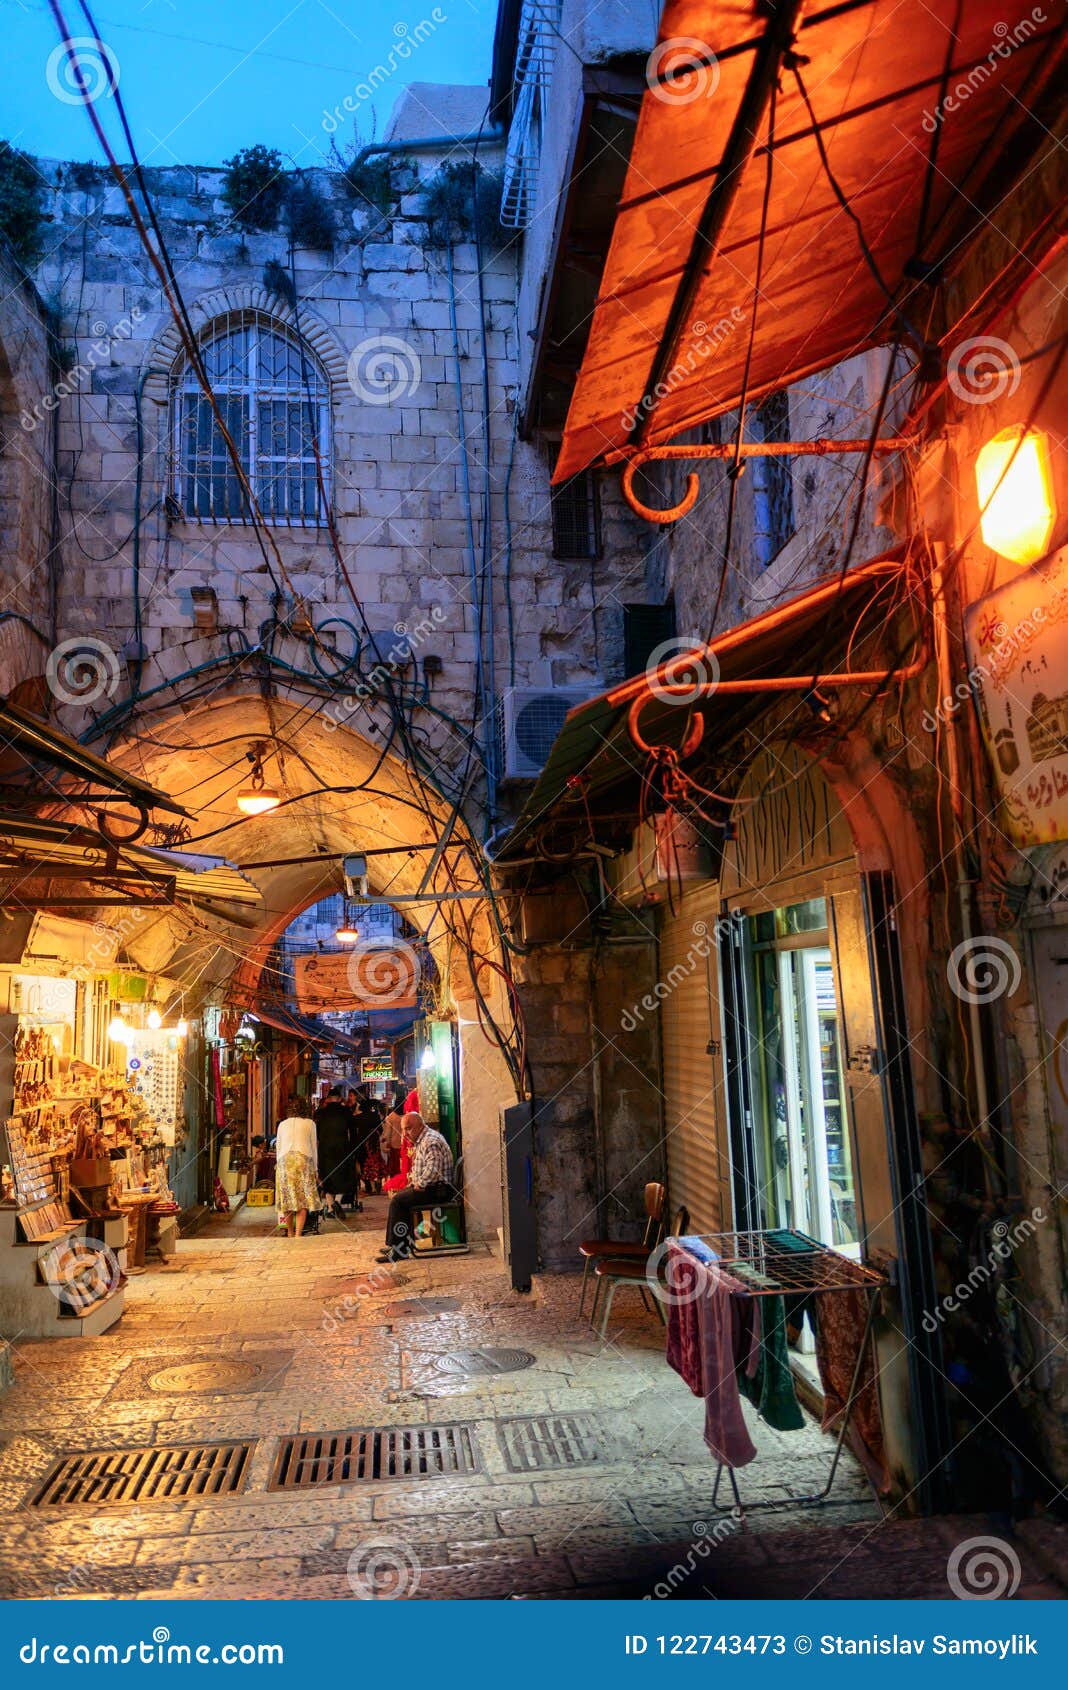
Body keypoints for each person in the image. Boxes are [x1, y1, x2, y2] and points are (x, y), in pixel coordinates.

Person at [376, 1111, 454, 1262]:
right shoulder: (423, 1139)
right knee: (399, 1198)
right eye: (404, 1129)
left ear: (420, 1126)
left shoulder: (430, 1141)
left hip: (438, 1190)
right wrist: (414, 1183)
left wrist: (420, 1184)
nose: (405, 1133)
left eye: (409, 1128)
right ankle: (398, 1246)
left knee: (398, 1202)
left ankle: (399, 1249)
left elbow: (433, 1170)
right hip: (431, 1187)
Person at [275, 1102, 319, 1238]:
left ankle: (289, 1232)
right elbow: (313, 1147)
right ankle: (298, 1234)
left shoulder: (282, 1125)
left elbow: (278, 1146)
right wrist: (315, 1169)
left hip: (284, 1162)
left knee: (287, 1199)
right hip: (303, 1161)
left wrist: (278, 1164)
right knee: (303, 1200)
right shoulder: (311, 1124)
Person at [314, 1087, 356, 1220]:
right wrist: (353, 1148)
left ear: (327, 1099)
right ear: (339, 1099)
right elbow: (352, 1131)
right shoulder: (346, 1111)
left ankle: (331, 1206)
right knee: (342, 1175)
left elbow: (316, 1134)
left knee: (327, 1177)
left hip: (325, 1149)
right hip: (342, 1148)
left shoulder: (320, 1113)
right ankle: (337, 1201)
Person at [381, 1091, 406, 1179]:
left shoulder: (391, 1117)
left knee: (395, 1169)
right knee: (405, 1168)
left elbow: (388, 1134)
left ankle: (395, 1185)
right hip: (406, 1146)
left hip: (395, 1146)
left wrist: (386, 1144)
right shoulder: (408, 1116)